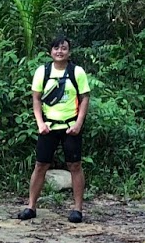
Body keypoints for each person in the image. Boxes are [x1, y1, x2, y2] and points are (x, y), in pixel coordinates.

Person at [17, 36, 90, 224]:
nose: (60, 51)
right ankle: (31, 206)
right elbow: (36, 99)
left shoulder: (77, 72)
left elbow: (84, 99)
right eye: (56, 48)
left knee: (75, 166)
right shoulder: (43, 71)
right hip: (48, 127)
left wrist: (78, 124)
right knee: (40, 165)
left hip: (70, 126)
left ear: (69, 52)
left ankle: (77, 209)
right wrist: (40, 123)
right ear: (50, 52)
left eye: (64, 48)